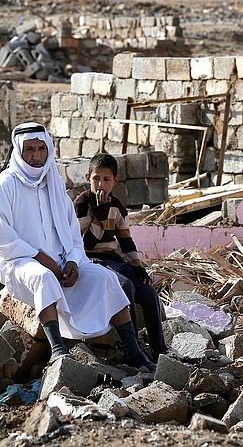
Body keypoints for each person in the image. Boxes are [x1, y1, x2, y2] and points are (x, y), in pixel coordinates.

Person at [0, 122, 155, 370]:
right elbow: (2, 237)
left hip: (62, 259)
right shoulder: (4, 186)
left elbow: (73, 234)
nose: (36, 156)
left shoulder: (54, 184)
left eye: (41, 149)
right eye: (30, 149)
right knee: (43, 277)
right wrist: (42, 259)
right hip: (18, 259)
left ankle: (134, 352)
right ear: (19, 151)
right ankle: (58, 350)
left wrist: (74, 261)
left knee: (106, 278)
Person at [73, 153, 169, 361]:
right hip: (88, 261)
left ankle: (159, 348)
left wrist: (138, 266)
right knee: (125, 286)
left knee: (148, 292)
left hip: (113, 261)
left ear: (115, 181)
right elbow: (85, 243)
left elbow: (125, 240)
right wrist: (100, 214)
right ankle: (133, 348)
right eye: (96, 179)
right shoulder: (81, 205)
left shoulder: (117, 207)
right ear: (88, 178)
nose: (100, 184)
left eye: (106, 180)